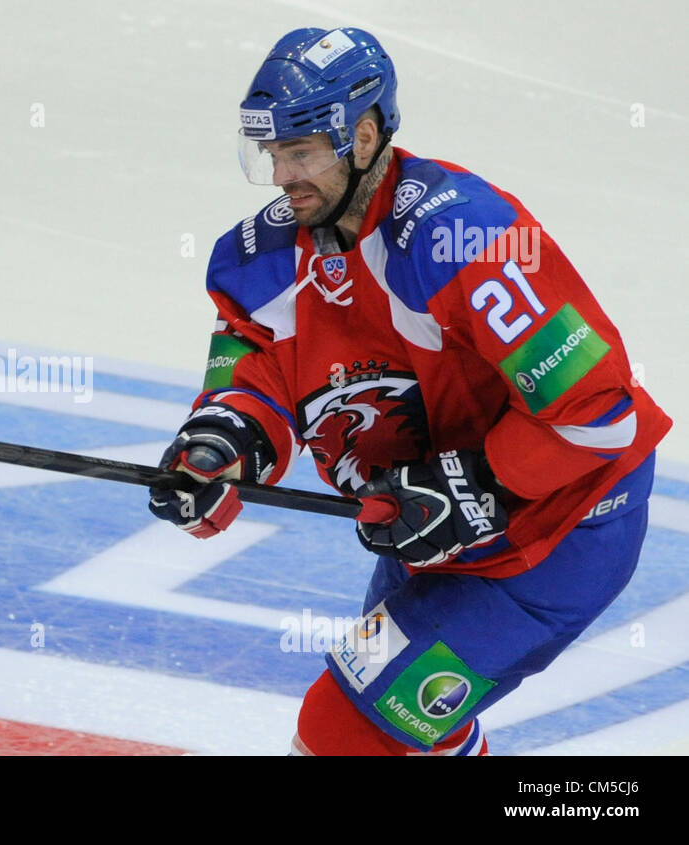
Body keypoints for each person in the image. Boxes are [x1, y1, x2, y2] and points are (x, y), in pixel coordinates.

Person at [148, 28, 671, 755]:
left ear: (364, 137)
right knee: (405, 736)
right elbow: (255, 373)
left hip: (559, 530)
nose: (281, 177)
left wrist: (481, 482)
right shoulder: (260, 256)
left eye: (301, 152)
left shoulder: (461, 235)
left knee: (342, 730)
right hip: (430, 522)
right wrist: (219, 445)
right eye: (272, 154)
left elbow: (600, 413)